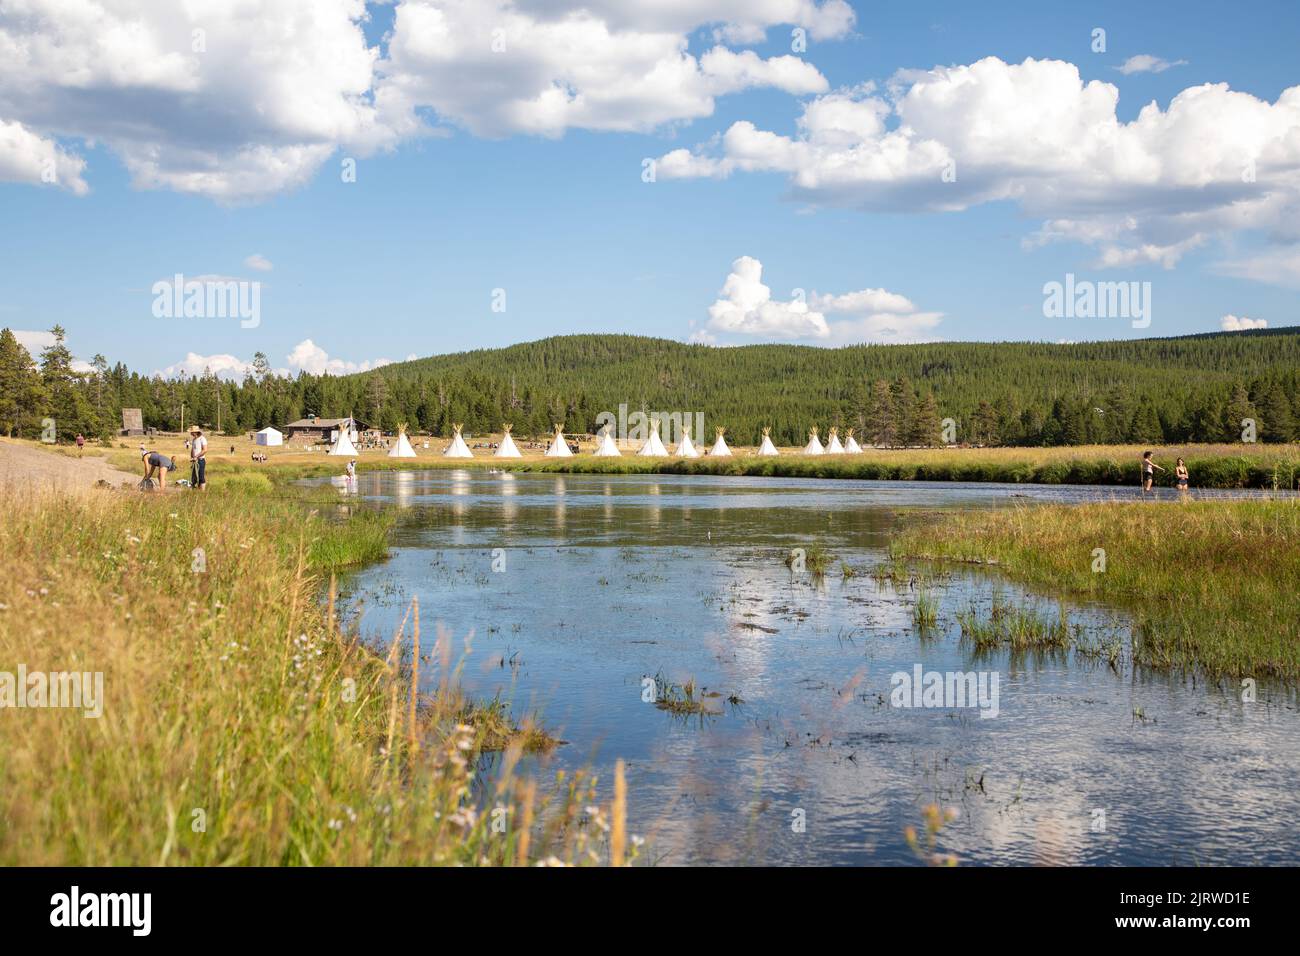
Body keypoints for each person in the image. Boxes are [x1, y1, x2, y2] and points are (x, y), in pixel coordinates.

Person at [189, 424, 207, 491]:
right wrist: (192, 457)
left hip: (200, 460)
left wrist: (196, 456)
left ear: (196, 432)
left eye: (192, 432)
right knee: (194, 477)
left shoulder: (202, 439)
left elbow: (205, 450)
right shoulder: (194, 440)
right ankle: (196, 491)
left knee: (201, 477)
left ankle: (202, 493)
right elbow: (193, 449)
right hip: (195, 461)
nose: (191, 433)